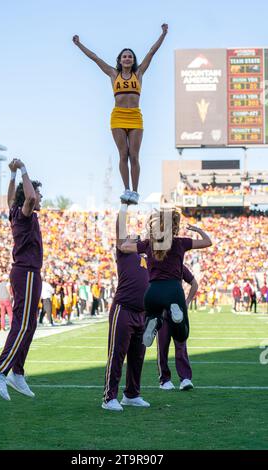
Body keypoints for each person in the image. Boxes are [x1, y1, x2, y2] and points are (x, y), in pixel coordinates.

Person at [72, 24, 168, 205]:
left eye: (130, 56)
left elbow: (152, 52)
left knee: (135, 155)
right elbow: (95, 58)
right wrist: (79, 44)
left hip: (135, 116)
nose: (127, 58)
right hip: (118, 116)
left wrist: (163, 34)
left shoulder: (139, 73)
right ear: (120, 59)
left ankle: (135, 192)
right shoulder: (112, 73)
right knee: (123, 154)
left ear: (133, 60)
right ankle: (126, 189)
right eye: (124, 56)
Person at [0, 159, 43, 401]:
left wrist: (11, 177)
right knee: (21, 324)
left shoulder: (15, 212)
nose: (40, 198)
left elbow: (12, 198)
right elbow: (27, 199)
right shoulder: (24, 214)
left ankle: (17, 372)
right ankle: (0, 371)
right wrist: (23, 170)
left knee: (30, 324)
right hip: (27, 272)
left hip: (28, 273)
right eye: (39, 194)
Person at [120, 208, 212, 346]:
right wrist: (197, 230)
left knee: (153, 315)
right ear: (174, 227)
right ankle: (176, 314)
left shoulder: (148, 244)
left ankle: (154, 321)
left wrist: (136, 238)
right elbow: (207, 242)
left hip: (152, 292)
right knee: (182, 335)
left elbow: (123, 247)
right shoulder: (181, 242)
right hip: (173, 290)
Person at [102, 204, 150, 411]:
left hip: (143, 313)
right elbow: (120, 232)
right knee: (117, 355)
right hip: (123, 309)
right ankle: (108, 397)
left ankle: (131, 394)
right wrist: (124, 207)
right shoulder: (123, 252)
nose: (135, 237)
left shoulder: (148, 257)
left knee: (137, 357)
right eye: (132, 236)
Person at [157, 265, 198, 392]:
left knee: (181, 344)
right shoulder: (154, 265)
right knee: (162, 346)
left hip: (178, 310)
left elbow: (194, 283)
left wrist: (187, 301)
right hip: (162, 311)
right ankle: (164, 379)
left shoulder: (178, 265)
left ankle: (185, 378)